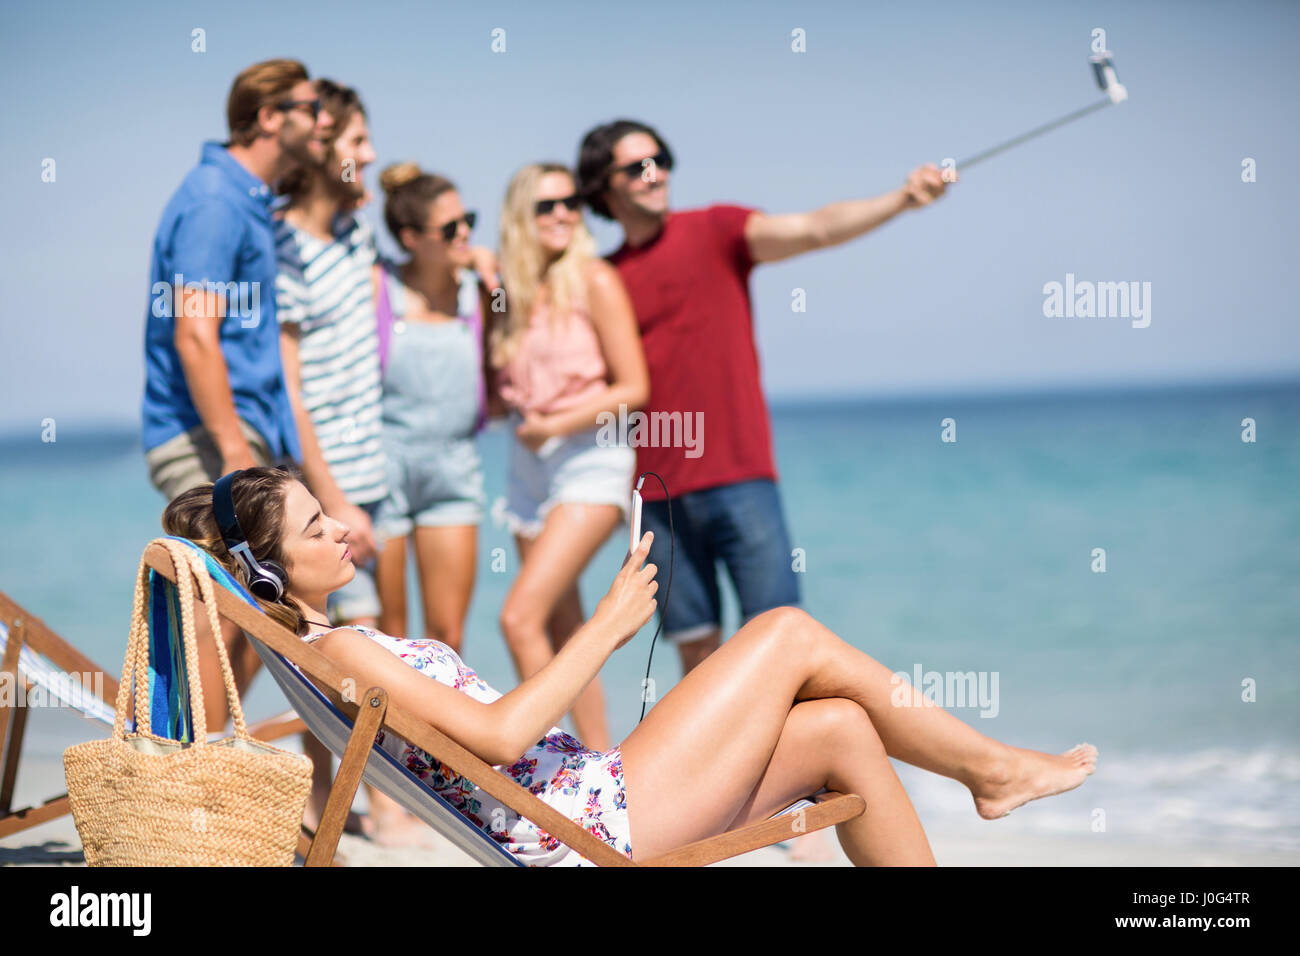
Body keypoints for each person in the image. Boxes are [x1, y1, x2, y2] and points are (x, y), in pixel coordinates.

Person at [161, 465, 1100, 866]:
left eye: (332, 513)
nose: (344, 531)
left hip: (588, 797)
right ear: (272, 568)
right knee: (783, 632)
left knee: (843, 729)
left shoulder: (333, 644)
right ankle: (991, 770)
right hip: (585, 827)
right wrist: (605, 627)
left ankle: (991, 774)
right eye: (318, 530)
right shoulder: (345, 649)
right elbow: (497, 733)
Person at [574, 120, 952, 679]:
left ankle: (802, 763)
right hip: (658, 495)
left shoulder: (717, 230)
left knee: (780, 643)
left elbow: (816, 228)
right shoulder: (603, 278)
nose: (655, 174)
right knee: (696, 658)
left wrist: (900, 200)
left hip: (741, 478)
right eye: (636, 167)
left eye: (661, 158)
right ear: (604, 189)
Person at [141, 58, 332, 734]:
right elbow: (195, 333)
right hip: (207, 437)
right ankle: (188, 793)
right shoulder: (216, 201)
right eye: (311, 107)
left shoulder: (248, 200)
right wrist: (234, 455)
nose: (324, 119)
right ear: (270, 116)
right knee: (217, 620)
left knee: (259, 610)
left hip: (240, 435)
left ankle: (208, 762)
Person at [274, 79, 429, 847]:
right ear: (323, 149)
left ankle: (383, 796)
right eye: (357, 143)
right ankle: (343, 800)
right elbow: (292, 393)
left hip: (382, 471)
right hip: (334, 481)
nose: (369, 156)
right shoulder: (284, 247)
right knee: (336, 650)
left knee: (386, 643)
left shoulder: (355, 235)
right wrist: (332, 501)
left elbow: (412, 209)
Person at [488, 163, 649, 751]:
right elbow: (495, 393)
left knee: (518, 617)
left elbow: (634, 386)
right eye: (546, 205)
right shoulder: (511, 291)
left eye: (570, 202)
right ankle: (602, 761)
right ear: (520, 218)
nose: (562, 214)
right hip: (527, 468)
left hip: (589, 457)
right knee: (559, 624)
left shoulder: (595, 278)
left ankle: (549, 764)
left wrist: (554, 423)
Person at [371, 164, 496, 653]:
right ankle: (389, 733)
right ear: (410, 237)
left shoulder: (480, 292)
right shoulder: (378, 287)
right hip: (386, 469)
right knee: (391, 637)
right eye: (450, 228)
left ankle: (444, 730)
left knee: (448, 637)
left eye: (468, 220)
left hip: (454, 469)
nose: (464, 233)